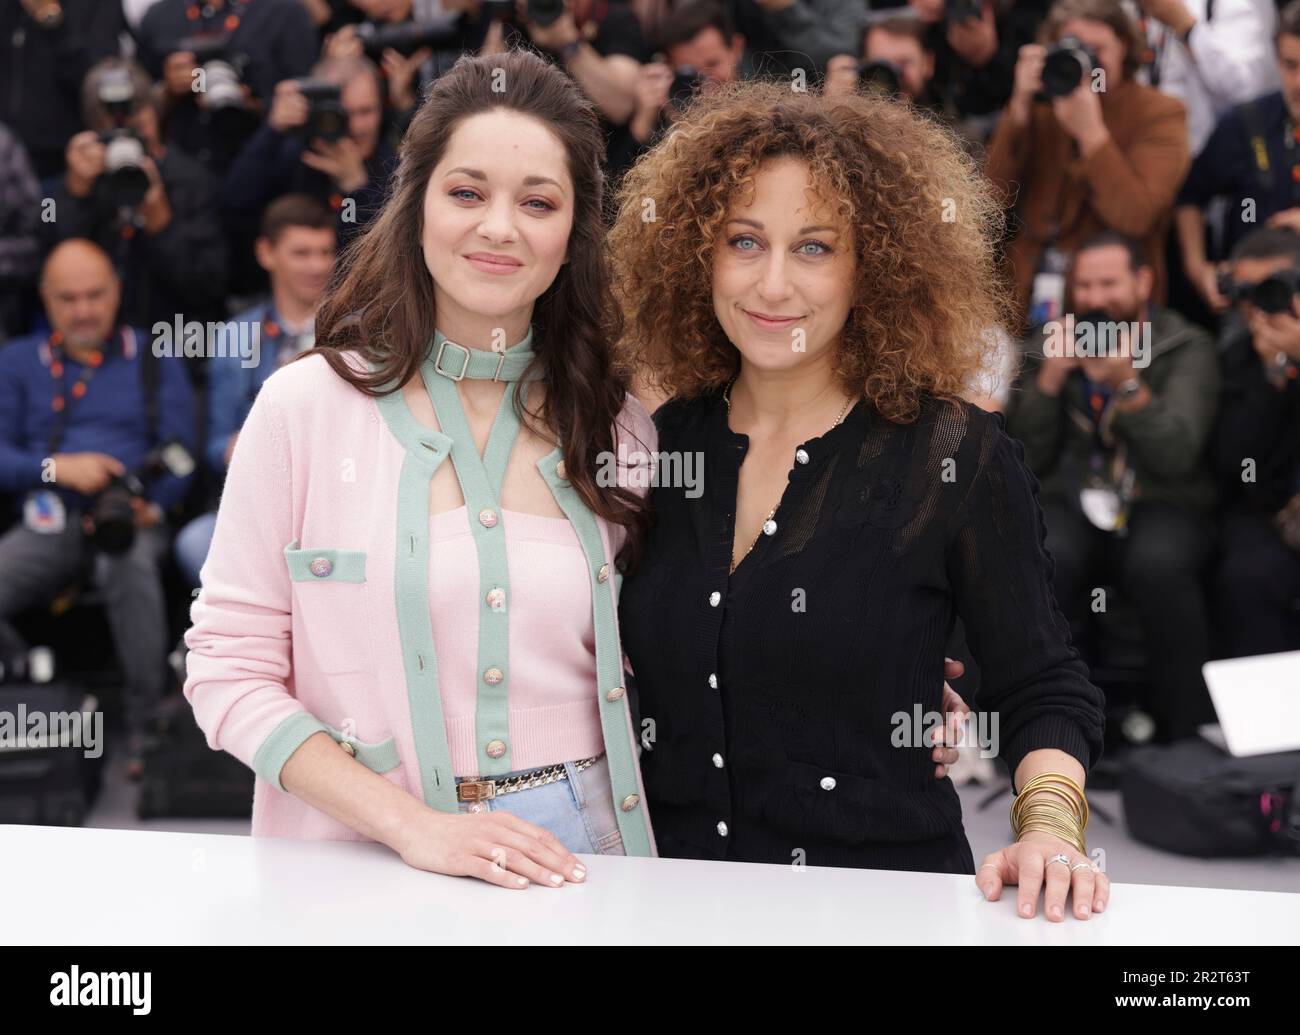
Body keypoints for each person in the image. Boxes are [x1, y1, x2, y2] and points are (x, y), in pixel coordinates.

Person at [608, 80, 1109, 921]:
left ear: (874, 262)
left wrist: (1050, 830)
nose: (773, 284)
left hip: (886, 910)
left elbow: (1044, 684)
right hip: (672, 906)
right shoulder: (657, 446)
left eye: (814, 247)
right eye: (744, 241)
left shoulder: (951, 455)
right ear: (698, 253)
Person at [183, 49, 659, 888]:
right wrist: (414, 828)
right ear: (417, 207)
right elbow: (227, 670)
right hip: (367, 857)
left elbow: (692, 638)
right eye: (467, 192)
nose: (500, 227)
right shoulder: (303, 408)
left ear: (572, 232)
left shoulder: (621, 426)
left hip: (595, 853)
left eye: (538, 202)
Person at [1006, 231, 1221, 742]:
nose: (1096, 298)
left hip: (1161, 496)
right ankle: (1047, 729)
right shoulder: (1050, 342)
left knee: (1159, 563)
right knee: (1046, 554)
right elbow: (1024, 458)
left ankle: (1182, 736)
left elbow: (1177, 454)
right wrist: (1050, 381)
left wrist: (1128, 387)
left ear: (1142, 281)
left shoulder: (1184, 346)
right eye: (1084, 285)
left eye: (1109, 283)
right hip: (1073, 493)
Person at [0, 239, 196, 776]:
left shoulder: (156, 357)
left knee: (125, 563)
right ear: (44, 299)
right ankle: (37, 688)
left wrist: (154, 506)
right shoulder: (18, 362)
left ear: (117, 292)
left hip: (130, 517)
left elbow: (183, 455)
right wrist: (54, 467)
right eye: (68, 298)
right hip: (51, 516)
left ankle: (144, 717)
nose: (83, 310)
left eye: (94, 295)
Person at [984, 0, 1191, 335]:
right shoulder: (1040, 107)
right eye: (1073, 50)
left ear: (1125, 46)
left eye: (1097, 50)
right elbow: (989, 202)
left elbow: (1137, 216)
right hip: (1023, 303)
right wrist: (1018, 109)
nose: (1086, 64)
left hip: (1110, 314)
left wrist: (1091, 135)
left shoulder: (1161, 114)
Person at [174, 194, 338, 584]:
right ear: (266, 253)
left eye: (325, 252)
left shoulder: (357, 331)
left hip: (337, 498)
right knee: (196, 541)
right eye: (301, 253)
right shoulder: (236, 336)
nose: (317, 265)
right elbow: (214, 446)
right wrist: (241, 447)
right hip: (260, 499)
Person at [44, 58, 229, 330]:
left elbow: (210, 284)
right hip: (97, 335)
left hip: (177, 337)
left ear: (152, 114)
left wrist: (163, 226)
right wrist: (74, 194)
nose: (126, 126)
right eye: (109, 119)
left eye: (136, 113)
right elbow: (49, 266)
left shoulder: (193, 180)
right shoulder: (77, 181)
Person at [1175, 1, 1300, 314]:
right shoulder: (1248, 122)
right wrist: (1197, 268)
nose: (1298, 83)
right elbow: (1189, 196)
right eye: (1290, 65)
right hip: (1251, 309)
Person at [1211, 227, 1300, 655]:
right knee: (1248, 576)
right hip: (1264, 510)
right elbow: (1234, 461)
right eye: (1244, 293)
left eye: (1272, 290)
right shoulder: (1237, 357)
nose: (1256, 306)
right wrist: (1271, 379)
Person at [222, 54, 398, 256]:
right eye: (344, 114)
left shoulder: (392, 168)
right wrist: (272, 131)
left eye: (366, 111)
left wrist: (354, 190)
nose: (357, 126)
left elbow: (375, 253)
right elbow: (235, 205)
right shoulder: (295, 157)